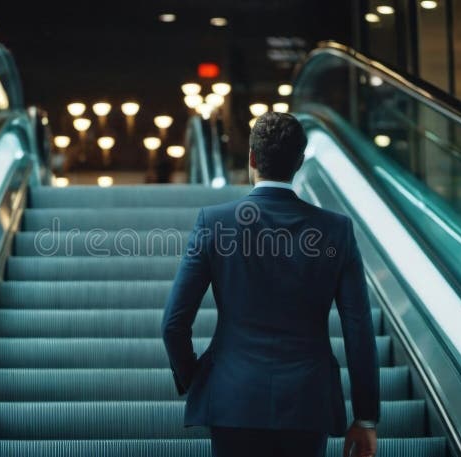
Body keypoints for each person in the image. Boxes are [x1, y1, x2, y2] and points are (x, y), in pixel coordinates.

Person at [161, 112, 379, 457]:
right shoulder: (337, 229)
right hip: (307, 400)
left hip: (233, 396)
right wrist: (365, 418)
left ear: (251, 158)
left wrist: (195, 378)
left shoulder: (214, 223)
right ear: (300, 163)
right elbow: (359, 330)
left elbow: (174, 323)